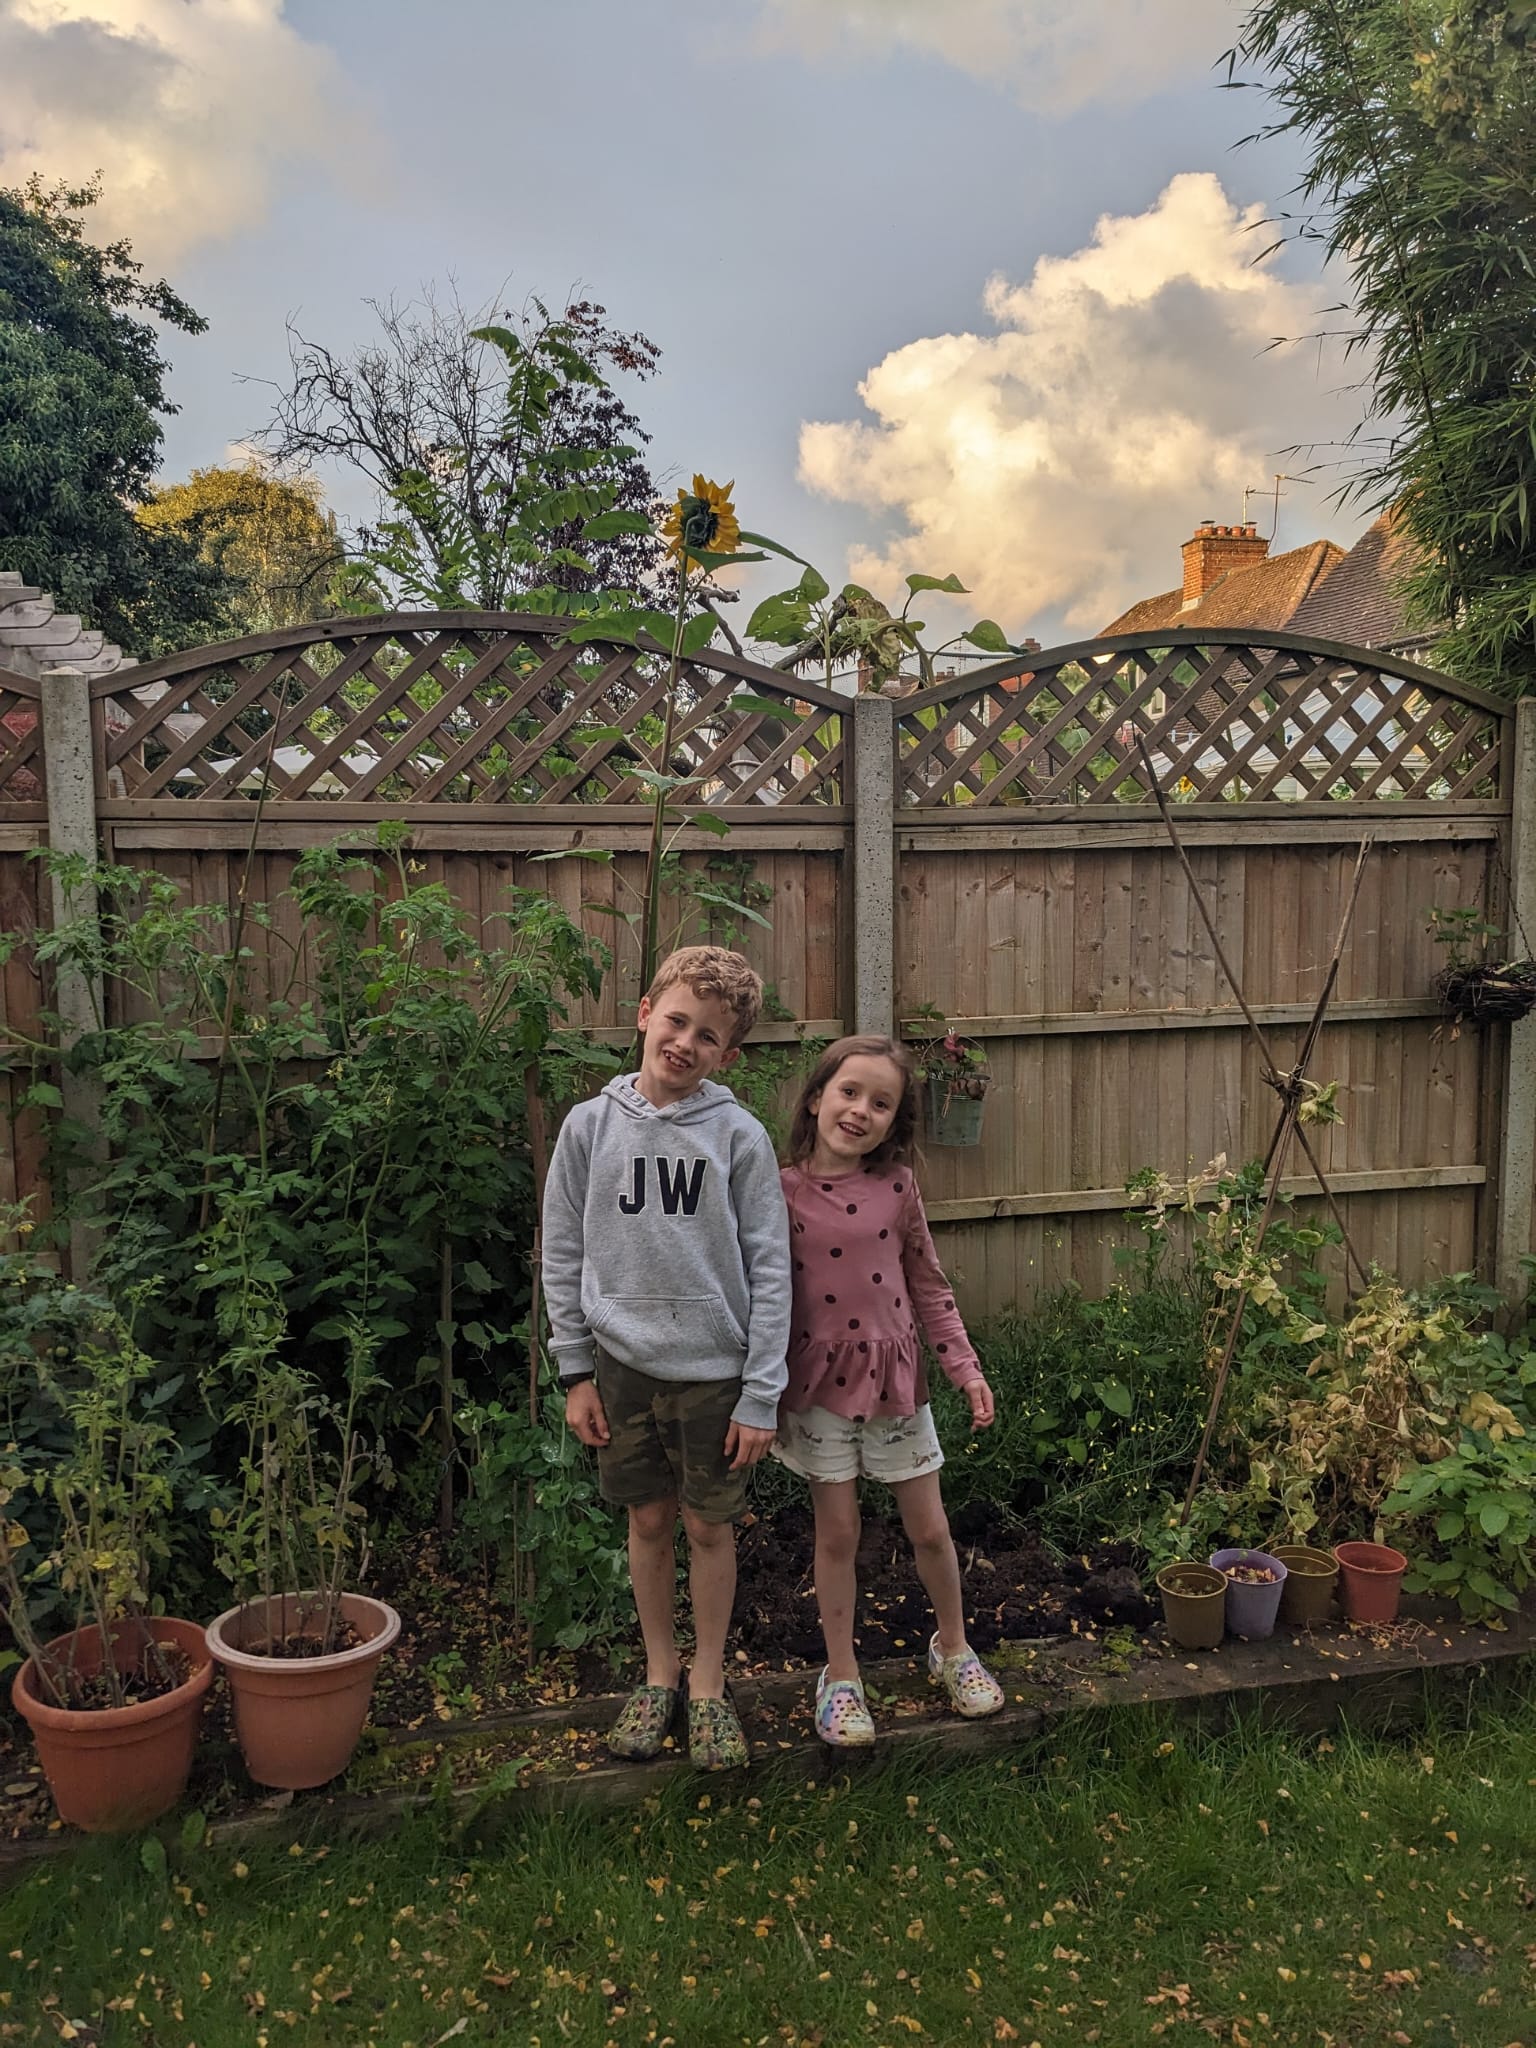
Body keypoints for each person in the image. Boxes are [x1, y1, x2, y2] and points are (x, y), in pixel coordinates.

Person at [542, 945, 790, 1769]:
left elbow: (769, 1266)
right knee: (646, 1520)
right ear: (646, 1012)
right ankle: (659, 1674)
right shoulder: (589, 1127)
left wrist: (761, 1392)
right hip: (620, 1367)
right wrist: (575, 1371)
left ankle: (711, 1684)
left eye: (709, 1036)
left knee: (707, 1527)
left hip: (715, 1373)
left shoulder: (739, 1138)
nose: (686, 1042)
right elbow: (563, 1250)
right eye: (677, 1020)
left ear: (729, 1056)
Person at [775, 1033, 1005, 1746]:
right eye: (848, 1093)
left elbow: (929, 1286)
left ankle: (953, 1649)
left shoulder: (898, 1187)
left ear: (893, 1121)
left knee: (930, 1528)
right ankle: (841, 1676)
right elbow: (764, 1294)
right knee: (838, 1533)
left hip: (897, 1384)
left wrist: (964, 1367)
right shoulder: (778, 1189)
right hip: (817, 1388)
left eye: (881, 1103)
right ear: (816, 1098)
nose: (860, 1111)